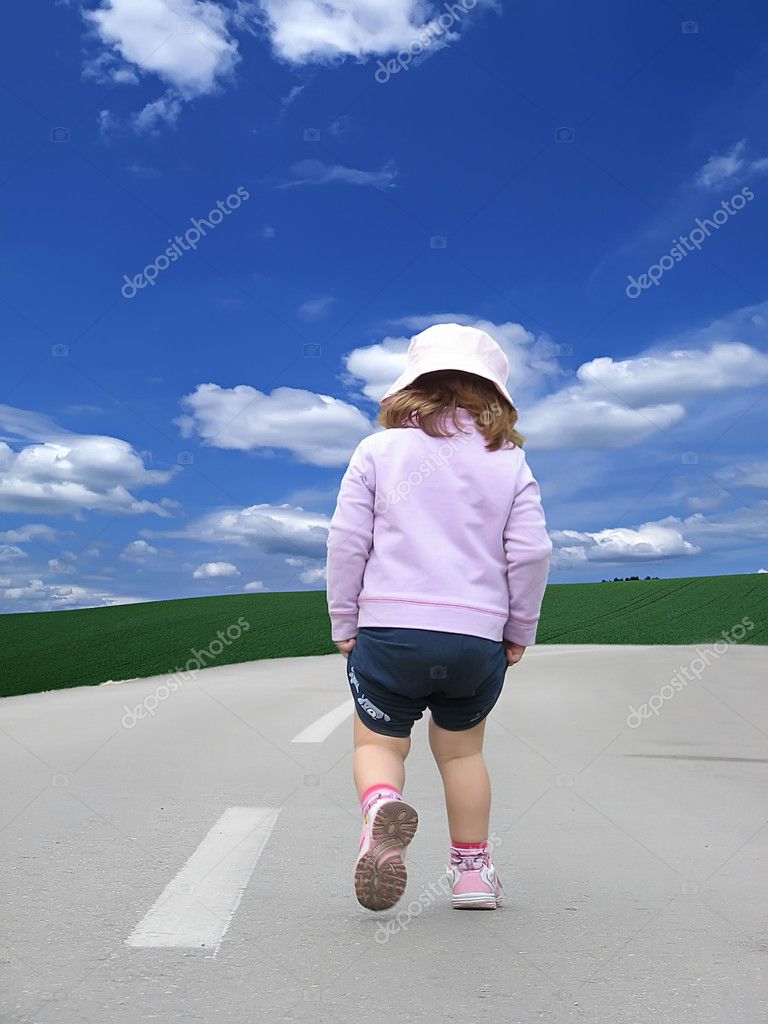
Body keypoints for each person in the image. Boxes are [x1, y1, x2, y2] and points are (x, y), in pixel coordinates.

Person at [325, 323, 553, 912]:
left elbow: (347, 541)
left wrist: (344, 621)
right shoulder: (509, 462)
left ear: (410, 384)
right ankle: (472, 875)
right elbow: (530, 552)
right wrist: (518, 629)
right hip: (475, 638)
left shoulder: (378, 451)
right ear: (495, 394)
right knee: (462, 754)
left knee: (379, 743)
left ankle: (380, 808)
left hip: (391, 632)